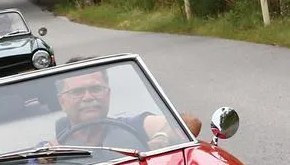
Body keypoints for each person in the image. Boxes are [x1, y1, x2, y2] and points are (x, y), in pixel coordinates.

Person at [52, 59, 203, 150]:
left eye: (96, 89)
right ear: (62, 101)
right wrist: (45, 159)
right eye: (78, 92)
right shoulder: (52, 148)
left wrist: (162, 138)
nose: (88, 97)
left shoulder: (133, 126)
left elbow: (189, 122)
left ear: (108, 94)